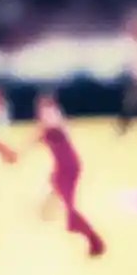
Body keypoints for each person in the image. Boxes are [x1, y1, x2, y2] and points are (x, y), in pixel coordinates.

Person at [30, 92, 105, 256]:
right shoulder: (52, 121)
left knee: (70, 213)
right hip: (64, 168)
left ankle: (96, 242)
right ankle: (93, 240)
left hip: (68, 168)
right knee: (62, 206)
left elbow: (45, 133)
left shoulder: (50, 120)